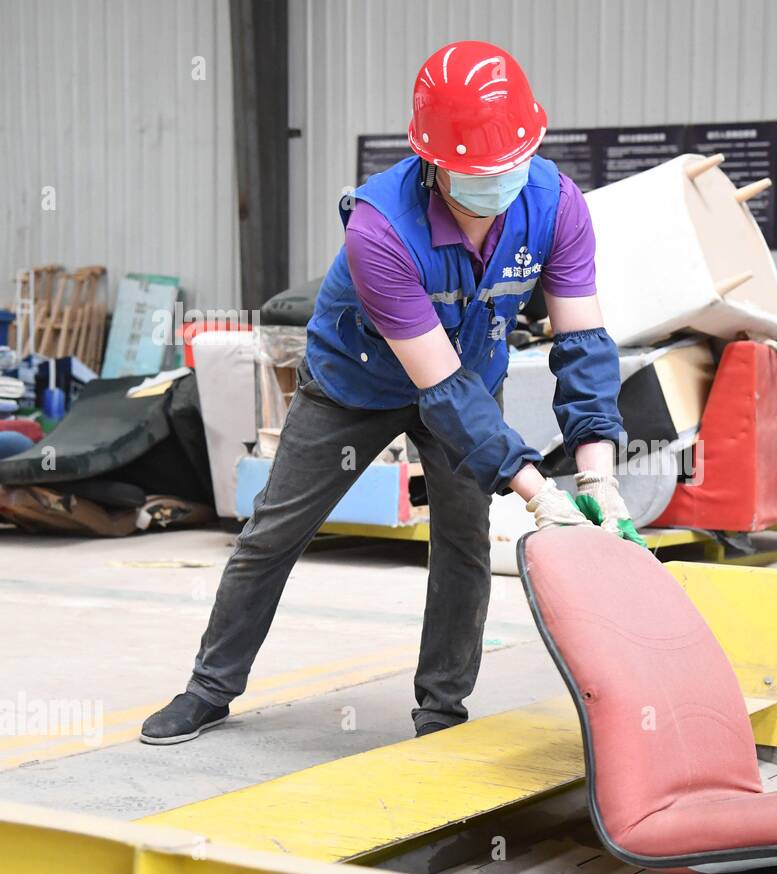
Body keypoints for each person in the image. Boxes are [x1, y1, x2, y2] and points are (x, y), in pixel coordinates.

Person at [141, 40, 640, 745]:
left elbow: (583, 345)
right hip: (356, 383)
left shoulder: (556, 205)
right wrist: (539, 493)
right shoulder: (381, 229)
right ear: (434, 163)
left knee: (462, 542)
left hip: (470, 376)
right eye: (479, 171)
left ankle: (441, 710)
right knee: (273, 531)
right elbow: (433, 382)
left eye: (510, 165)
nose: (499, 183)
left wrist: (598, 473)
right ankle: (209, 688)